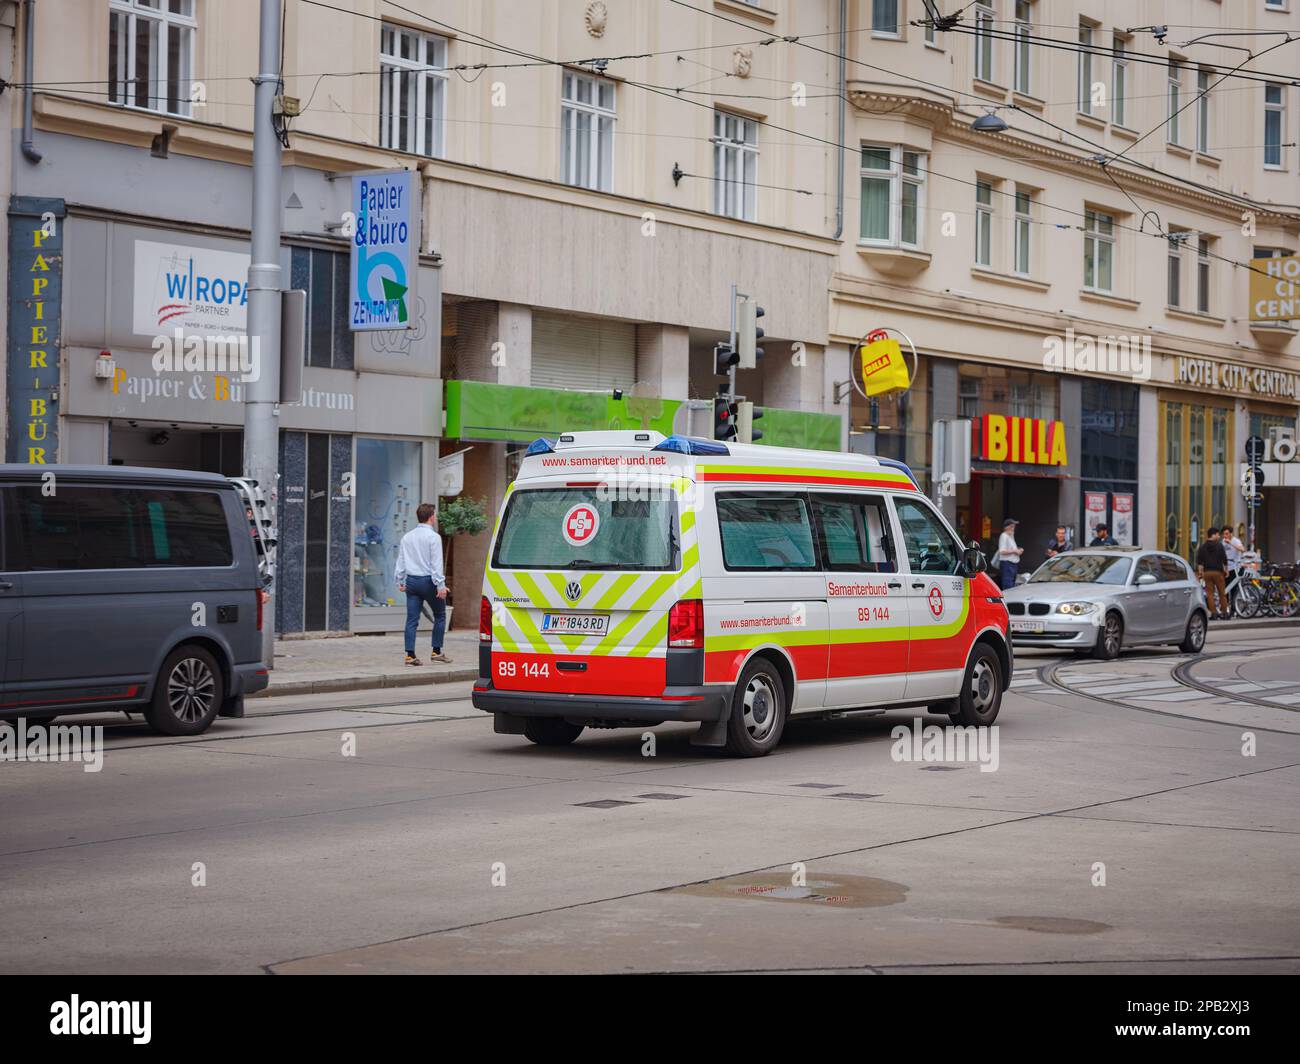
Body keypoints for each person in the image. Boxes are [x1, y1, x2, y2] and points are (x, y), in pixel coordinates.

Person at [396, 502, 450, 666]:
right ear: (431, 517)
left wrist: (400, 580)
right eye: (435, 515)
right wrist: (440, 586)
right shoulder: (434, 537)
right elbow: (436, 564)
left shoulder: (407, 537)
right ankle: (436, 652)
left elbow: (401, 560)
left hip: (411, 582)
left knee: (412, 619)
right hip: (428, 582)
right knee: (440, 615)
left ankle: (410, 655)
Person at [1195, 526, 1230, 621]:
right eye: (1218, 534)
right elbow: (1224, 559)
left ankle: (1214, 614)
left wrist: (1200, 573)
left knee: (1209, 594)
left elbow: (1199, 562)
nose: (1219, 536)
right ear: (1213, 535)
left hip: (1207, 573)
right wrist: (1226, 570)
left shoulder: (1202, 547)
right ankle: (1225, 613)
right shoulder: (1219, 546)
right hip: (1218, 572)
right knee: (1222, 593)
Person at [992, 517, 1024, 590]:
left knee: (1011, 585)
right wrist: (1015, 551)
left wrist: (1018, 550)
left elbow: (1010, 549)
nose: (1013, 528)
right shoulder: (1004, 536)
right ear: (1007, 527)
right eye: (1012, 526)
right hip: (1007, 564)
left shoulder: (1010, 536)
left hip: (1013, 564)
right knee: (1008, 586)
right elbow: (1002, 551)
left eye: (1014, 527)